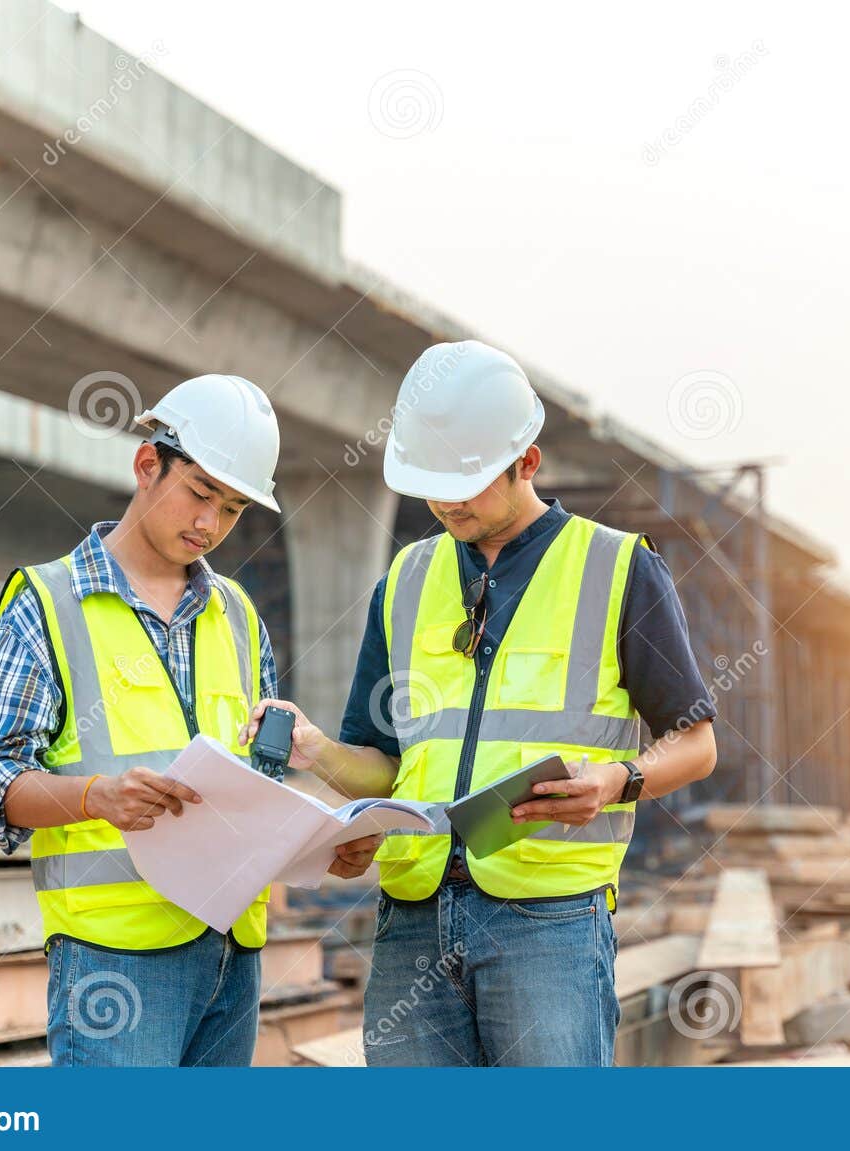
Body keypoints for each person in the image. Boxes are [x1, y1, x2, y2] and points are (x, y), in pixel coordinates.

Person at [243, 340, 718, 1066]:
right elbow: (387, 768)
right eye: (430, 482)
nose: (445, 502)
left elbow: (697, 743)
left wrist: (617, 781)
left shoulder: (617, 566)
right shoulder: (405, 578)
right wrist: (316, 751)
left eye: (464, 483)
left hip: (549, 925)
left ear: (526, 461)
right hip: (413, 923)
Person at [0, 374, 374, 1066]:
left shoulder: (237, 615)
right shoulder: (49, 603)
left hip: (232, 958)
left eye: (232, 508)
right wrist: (96, 796)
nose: (210, 523)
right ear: (148, 465)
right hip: (114, 962)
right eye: (200, 493)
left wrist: (320, 849)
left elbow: (251, 792)